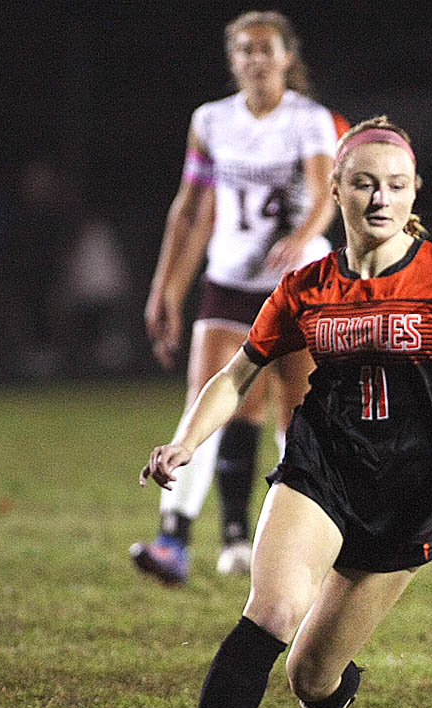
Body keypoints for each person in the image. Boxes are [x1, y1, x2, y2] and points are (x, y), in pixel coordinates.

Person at [145, 117, 432, 708]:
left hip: (407, 496)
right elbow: (238, 376)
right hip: (319, 470)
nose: (379, 198)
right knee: (269, 613)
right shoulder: (305, 286)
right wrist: (185, 443)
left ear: (414, 189)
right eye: (363, 184)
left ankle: (331, 697)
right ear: (336, 189)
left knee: (309, 674)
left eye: (394, 185)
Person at [131, 11, 350, 585]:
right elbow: (190, 208)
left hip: (299, 280)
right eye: (245, 51)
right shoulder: (211, 120)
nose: (255, 59)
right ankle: (173, 540)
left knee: (299, 414)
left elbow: (328, 190)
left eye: (265, 49)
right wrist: (165, 288)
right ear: (233, 60)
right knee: (206, 400)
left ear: (286, 56)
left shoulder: (310, 120)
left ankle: (303, 541)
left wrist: (301, 239)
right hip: (229, 279)